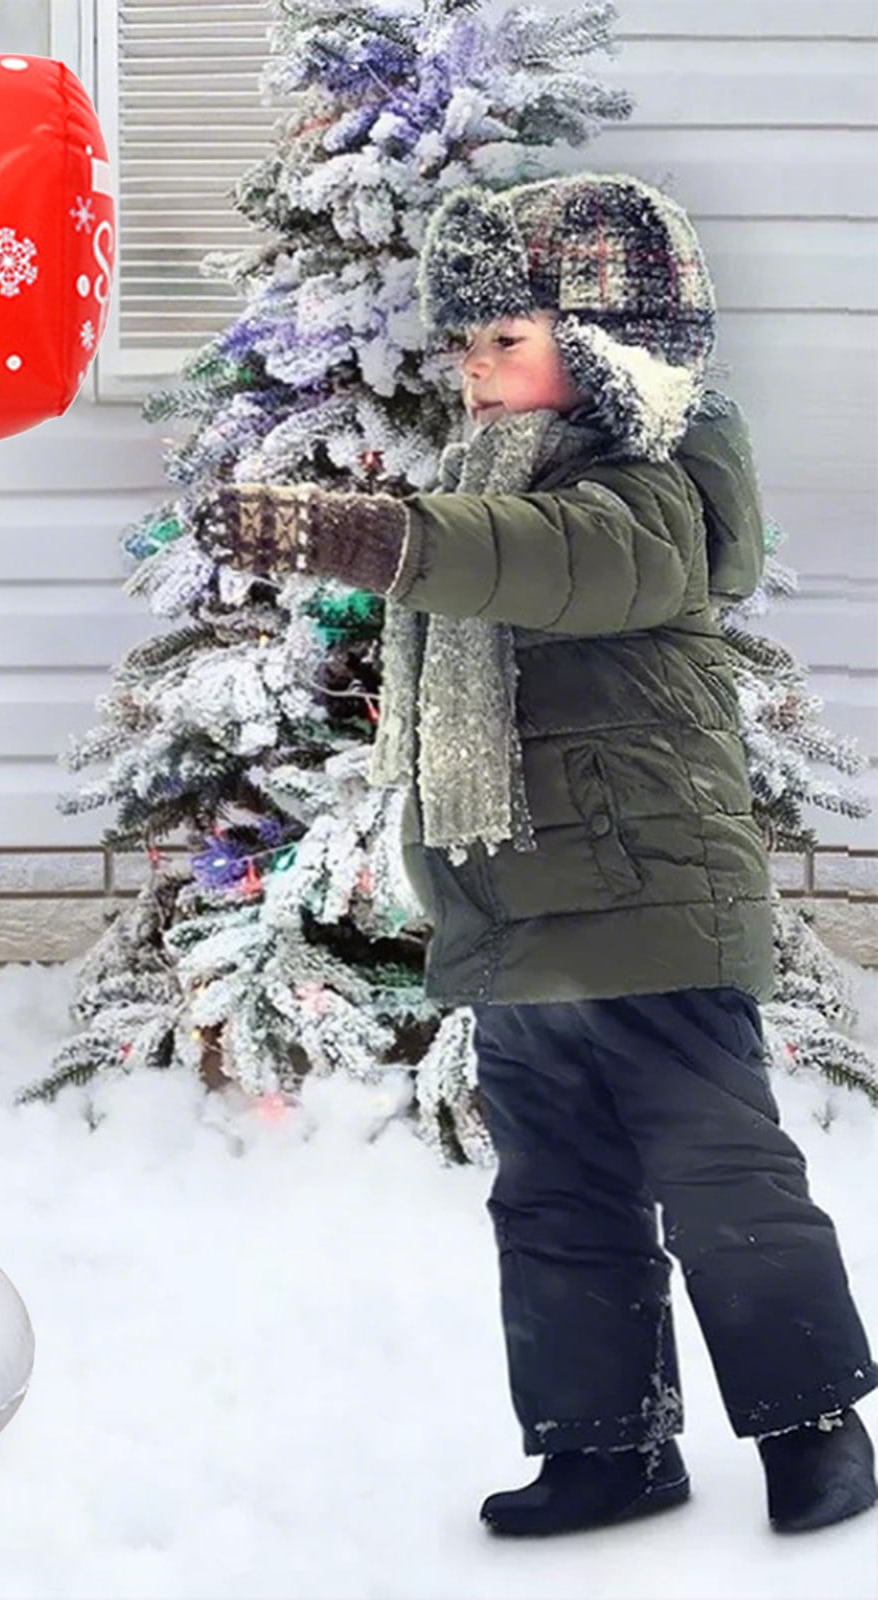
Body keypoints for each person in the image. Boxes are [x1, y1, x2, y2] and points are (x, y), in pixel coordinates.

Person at [192, 171, 877, 1537]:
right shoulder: (481, 480)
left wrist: (361, 534)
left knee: (721, 1177)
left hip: (648, 896)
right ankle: (607, 1448)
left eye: (506, 337)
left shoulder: (656, 484)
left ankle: (815, 1429)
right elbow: (489, 566)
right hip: (512, 909)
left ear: (610, 343)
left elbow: (554, 564)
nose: (475, 367)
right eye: (468, 342)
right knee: (557, 1198)